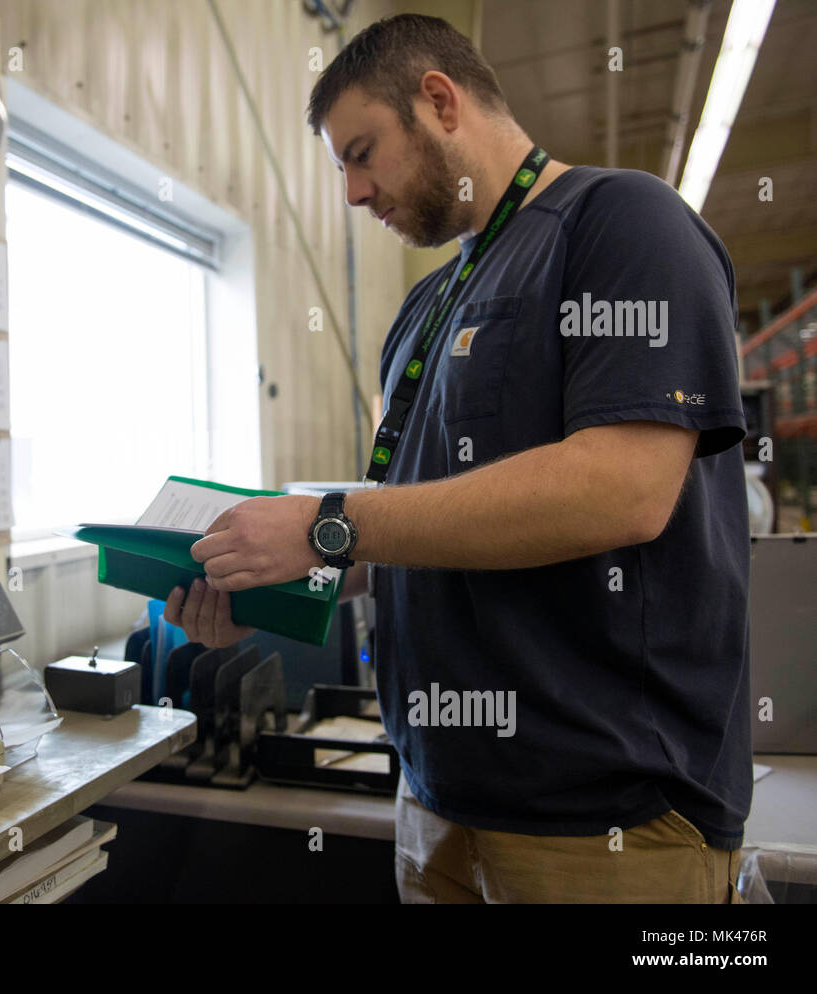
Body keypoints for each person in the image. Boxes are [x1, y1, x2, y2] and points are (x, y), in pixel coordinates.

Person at [164, 13, 749, 904]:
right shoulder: (428, 306)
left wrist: (329, 524)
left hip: (607, 822)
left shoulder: (622, 224)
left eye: (363, 153)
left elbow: (623, 491)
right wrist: (273, 585)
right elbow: (410, 535)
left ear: (439, 101)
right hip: (435, 798)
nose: (354, 194)